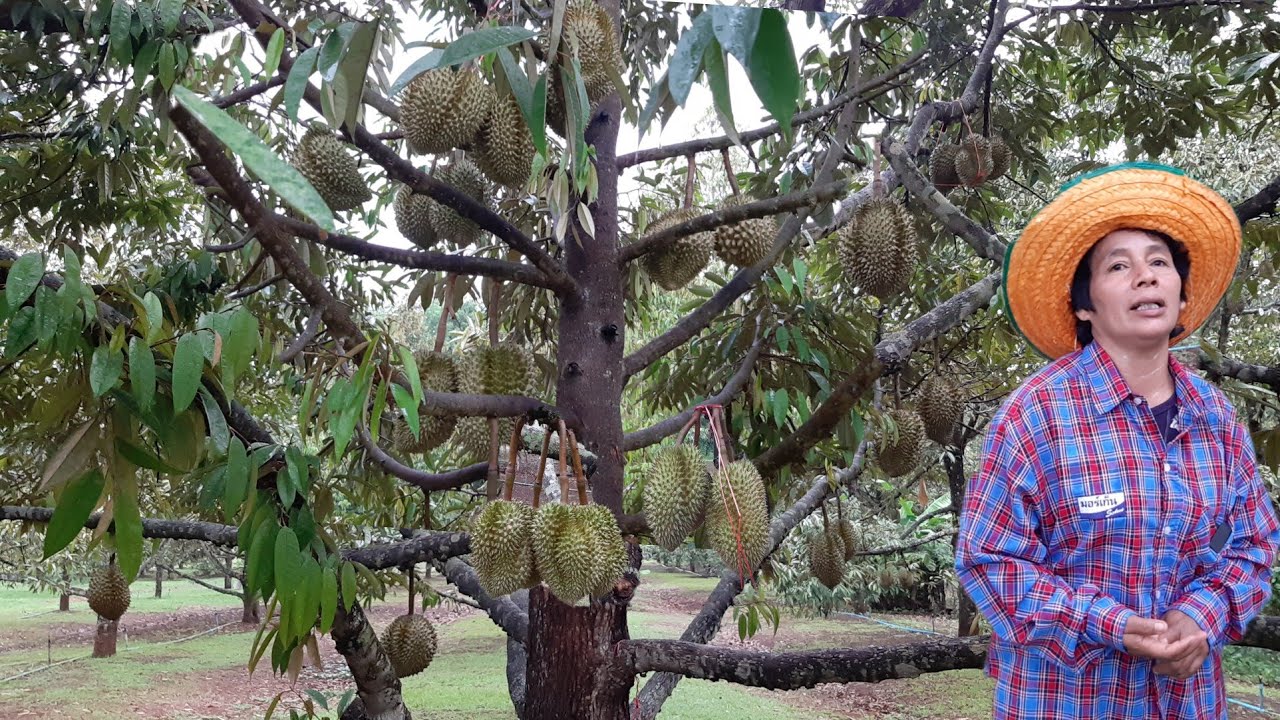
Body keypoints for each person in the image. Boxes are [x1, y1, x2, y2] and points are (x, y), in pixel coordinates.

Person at [954, 162, 1280, 719]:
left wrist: (1204, 614)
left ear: (1181, 295)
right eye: (1118, 266)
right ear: (1085, 304)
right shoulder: (1037, 414)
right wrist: (1109, 624)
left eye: (1159, 262)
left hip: (1189, 704)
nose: (1146, 277)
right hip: (1064, 703)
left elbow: (1254, 545)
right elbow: (990, 562)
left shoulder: (1216, 418)